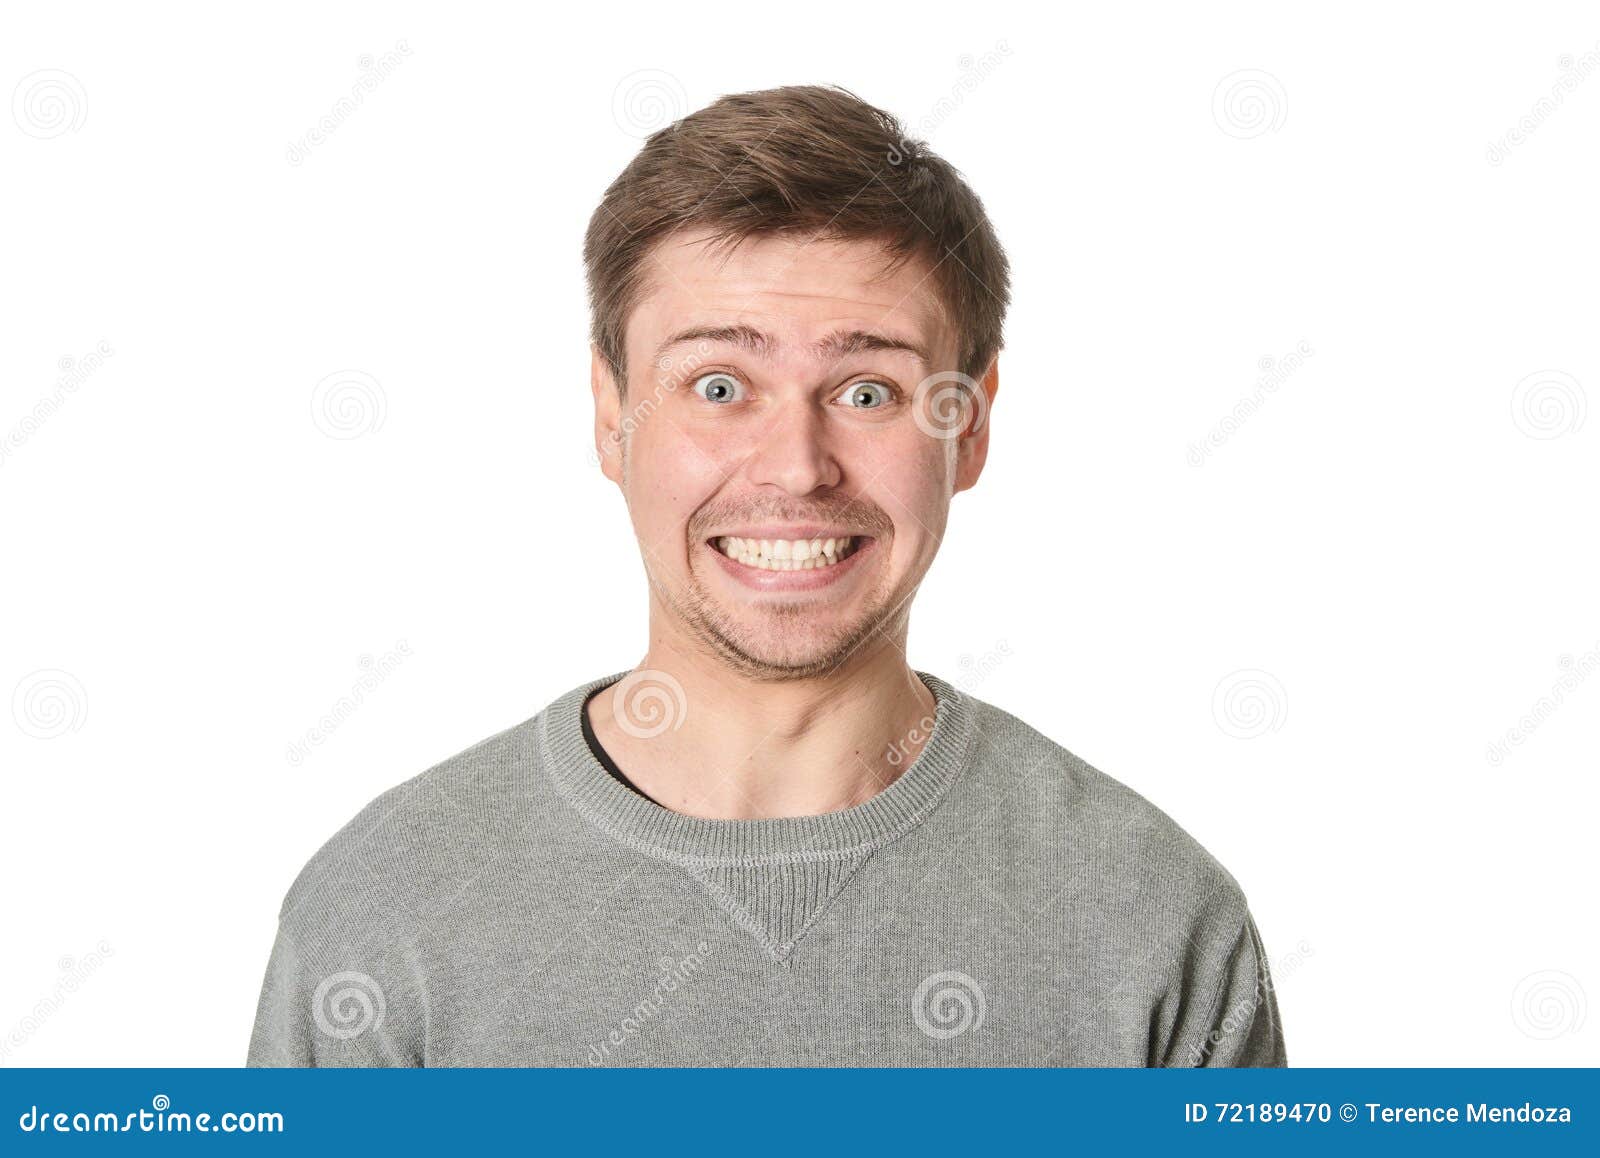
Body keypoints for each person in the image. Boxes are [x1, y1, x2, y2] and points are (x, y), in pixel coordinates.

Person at [248, 84, 1286, 1067]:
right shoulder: (385, 911)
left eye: (869, 391)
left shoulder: (1157, 920)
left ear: (967, 428)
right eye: (718, 385)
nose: (795, 467)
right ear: (611, 416)